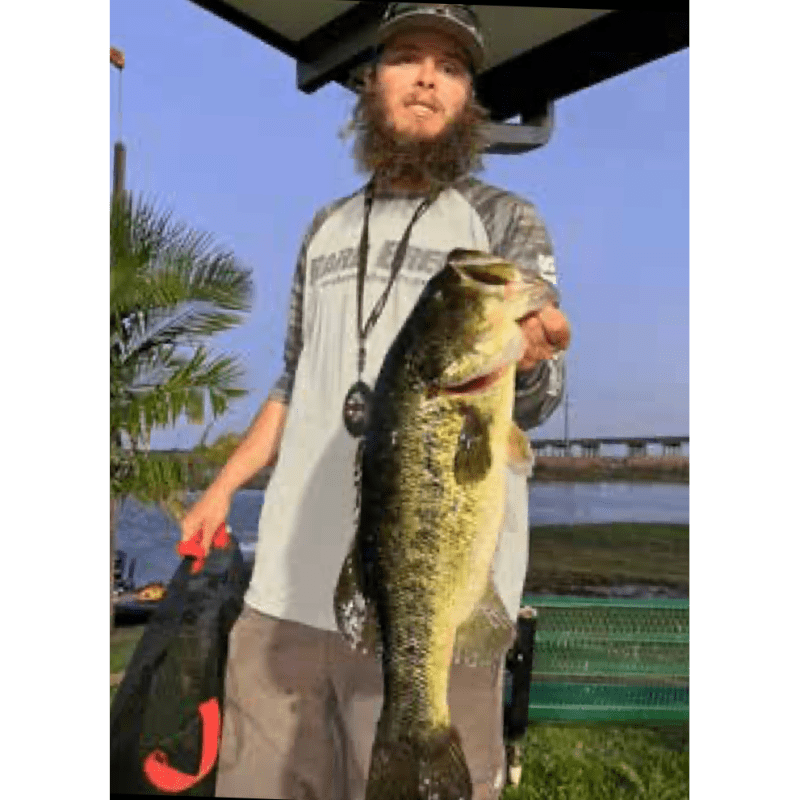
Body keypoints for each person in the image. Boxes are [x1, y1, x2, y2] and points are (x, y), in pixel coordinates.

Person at [180, 5, 571, 799]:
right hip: (285, 588)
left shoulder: (503, 222)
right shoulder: (323, 228)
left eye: (451, 68)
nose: (428, 78)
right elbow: (295, 378)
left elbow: (537, 399)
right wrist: (222, 488)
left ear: (469, 101)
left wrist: (532, 361)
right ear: (371, 83)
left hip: (438, 606)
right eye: (408, 58)